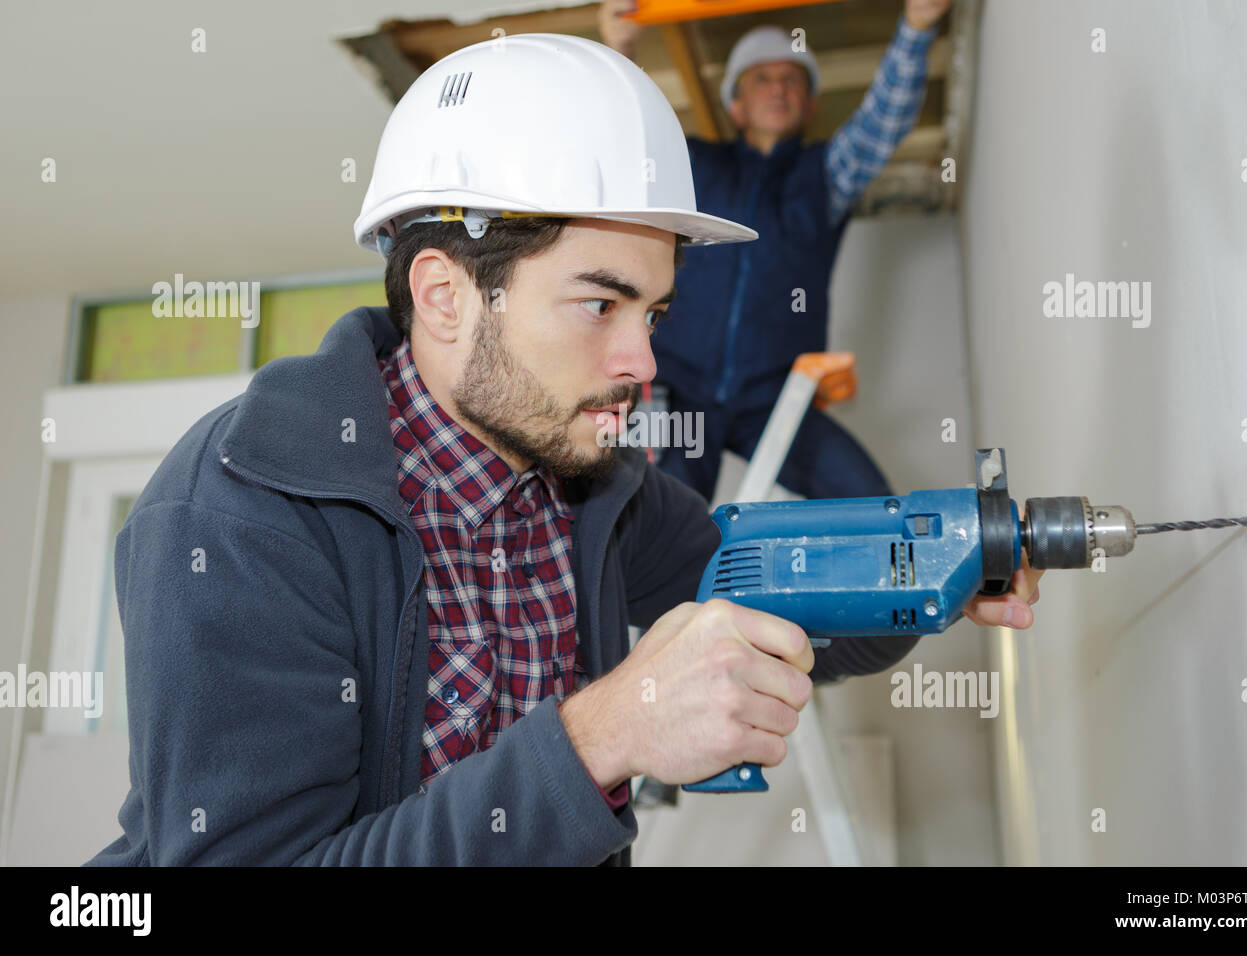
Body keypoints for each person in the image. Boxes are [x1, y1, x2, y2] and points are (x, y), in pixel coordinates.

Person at [86, 32, 1040, 867]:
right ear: (447, 294)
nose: (642, 360)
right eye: (599, 304)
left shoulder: (598, 489)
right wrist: (609, 731)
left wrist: (951, 562)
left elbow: (773, 596)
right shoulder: (243, 512)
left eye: (654, 312)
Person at [599, 0, 952, 501]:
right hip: (677, 389)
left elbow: (881, 127)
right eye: (761, 79)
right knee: (659, 518)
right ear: (736, 108)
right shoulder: (694, 166)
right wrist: (622, 47)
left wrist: (917, 26)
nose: (779, 88)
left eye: (792, 80)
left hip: (778, 395)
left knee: (872, 502)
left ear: (810, 106)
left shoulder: (825, 176)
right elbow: (633, 128)